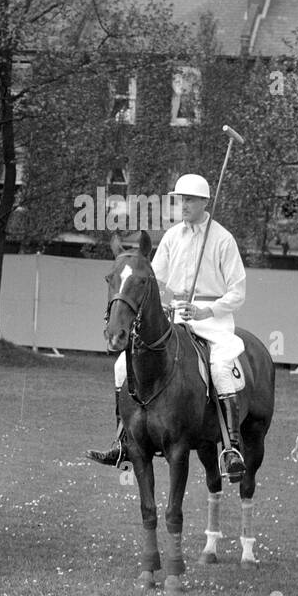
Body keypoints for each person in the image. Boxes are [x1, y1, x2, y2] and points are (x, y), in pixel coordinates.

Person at [87, 173, 248, 482]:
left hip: (212, 321)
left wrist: (204, 309)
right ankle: (122, 441)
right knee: (123, 365)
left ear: (204, 202)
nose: (183, 205)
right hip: (174, 318)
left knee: (221, 367)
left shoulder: (223, 239)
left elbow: (237, 293)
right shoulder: (173, 236)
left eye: (188, 200)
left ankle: (231, 447)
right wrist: (163, 305)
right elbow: (155, 282)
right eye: (179, 199)